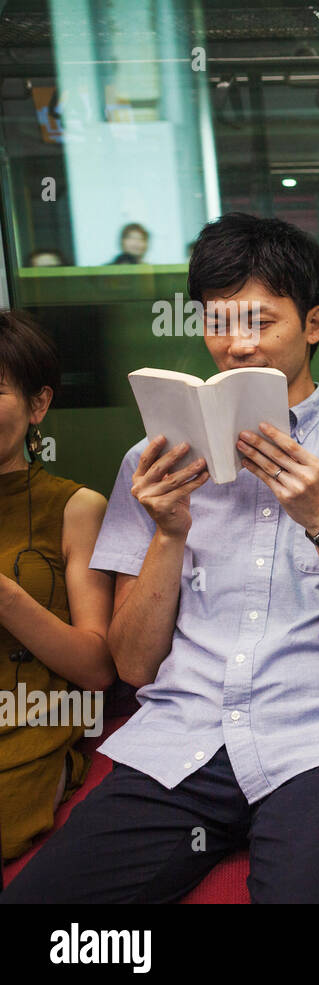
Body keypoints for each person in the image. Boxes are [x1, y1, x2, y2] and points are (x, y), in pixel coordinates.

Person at [1, 213, 319, 904]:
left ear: (314, 323)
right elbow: (133, 664)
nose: (236, 345)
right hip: (186, 736)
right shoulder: (151, 466)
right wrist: (170, 532)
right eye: (217, 322)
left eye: (260, 321)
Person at [0, 311, 114, 861]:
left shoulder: (75, 507)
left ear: (38, 405)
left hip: (25, 734)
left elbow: (97, 668)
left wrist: (6, 598)